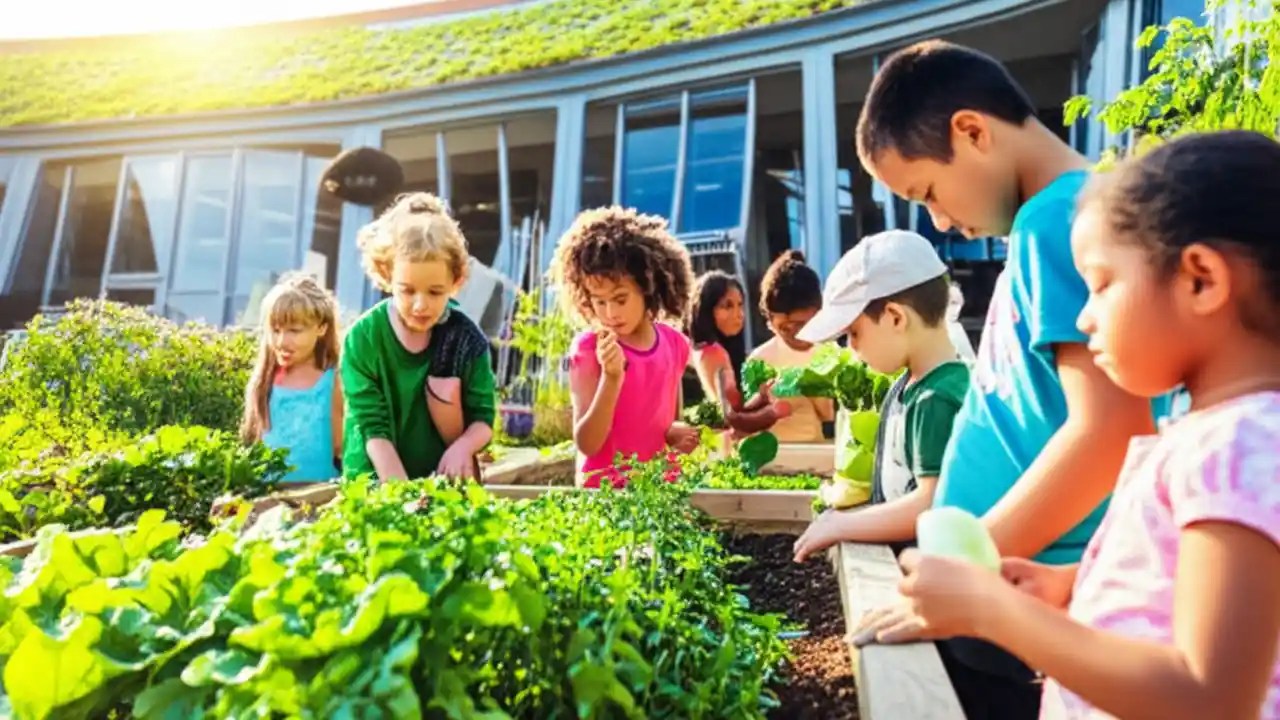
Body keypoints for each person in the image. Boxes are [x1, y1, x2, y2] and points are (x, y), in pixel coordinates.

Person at [898, 130, 1280, 720]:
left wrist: (992, 611)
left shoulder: (1234, 449)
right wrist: (1071, 584)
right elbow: (1188, 582)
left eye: (1101, 284)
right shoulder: (1215, 436)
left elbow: (1210, 696)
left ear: (1200, 278)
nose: (1083, 316)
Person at [850, 40, 1159, 719]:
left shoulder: (1059, 221)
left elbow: (1108, 431)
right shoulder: (1055, 219)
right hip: (1014, 578)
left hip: (1020, 586)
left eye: (926, 192)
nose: (937, 219)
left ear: (972, 131)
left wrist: (965, 570)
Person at [791, 231, 968, 557]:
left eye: (854, 333)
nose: (852, 348)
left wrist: (842, 525)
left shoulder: (936, 400)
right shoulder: (909, 385)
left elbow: (929, 503)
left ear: (895, 317)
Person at [341, 192, 497, 481]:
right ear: (386, 274)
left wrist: (463, 447)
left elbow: (483, 418)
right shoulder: (363, 339)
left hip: (441, 482)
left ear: (456, 280)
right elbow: (372, 427)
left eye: (435, 292)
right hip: (373, 482)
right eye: (408, 290)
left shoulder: (468, 340)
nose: (420, 304)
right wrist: (403, 496)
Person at [548, 206, 701, 488]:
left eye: (620, 299)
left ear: (648, 287)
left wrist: (680, 435)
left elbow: (669, 425)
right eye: (599, 301)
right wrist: (612, 376)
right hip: (607, 499)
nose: (610, 313)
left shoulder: (674, 344)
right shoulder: (588, 349)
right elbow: (587, 443)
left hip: (660, 492)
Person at [240, 273, 343, 482]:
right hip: (269, 499)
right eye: (275, 330)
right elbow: (256, 445)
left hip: (321, 497)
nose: (282, 341)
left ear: (321, 327)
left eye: (295, 331)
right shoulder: (264, 382)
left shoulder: (333, 382)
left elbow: (340, 447)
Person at [747, 250, 835, 443]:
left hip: (819, 456)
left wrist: (812, 387)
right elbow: (748, 422)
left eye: (805, 325)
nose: (797, 333)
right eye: (786, 328)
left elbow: (831, 419)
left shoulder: (830, 354)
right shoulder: (761, 359)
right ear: (769, 319)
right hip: (772, 461)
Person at [686, 270, 747, 402]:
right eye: (728, 306)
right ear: (707, 310)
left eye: (740, 305)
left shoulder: (711, 349)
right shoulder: (713, 353)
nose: (739, 314)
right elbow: (733, 411)